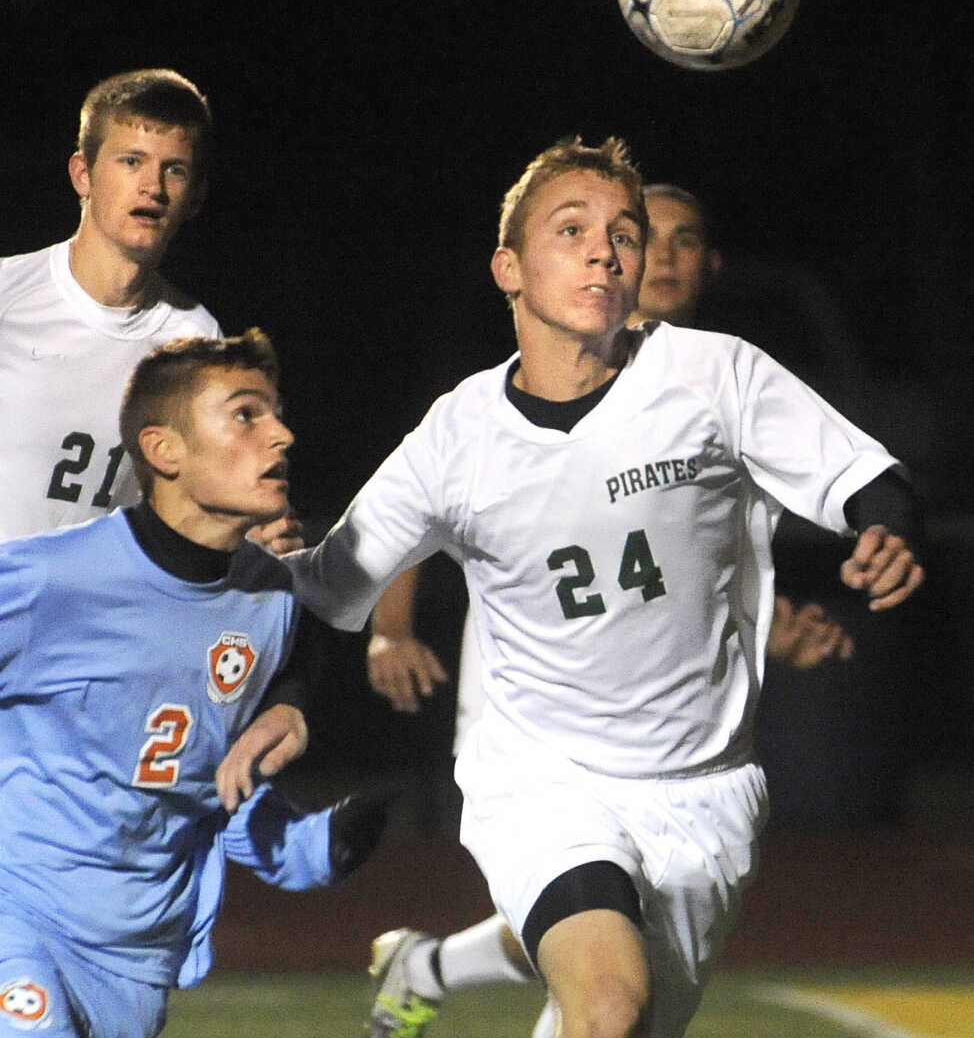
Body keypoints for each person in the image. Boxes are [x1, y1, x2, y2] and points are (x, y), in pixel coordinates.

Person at [277, 138, 923, 1038]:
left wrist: (887, 527)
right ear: (508, 269)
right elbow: (321, 591)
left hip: (705, 793)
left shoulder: (714, 374)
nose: (605, 253)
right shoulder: (457, 435)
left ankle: (432, 969)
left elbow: (865, 477)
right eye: (572, 230)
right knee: (610, 1004)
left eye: (624, 234)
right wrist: (259, 609)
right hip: (540, 778)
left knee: (609, 1021)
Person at [0, 330, 388, 1038]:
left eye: (275, 413)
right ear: (163, 450)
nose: (281, 435)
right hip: (17, 918)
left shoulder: (268, 602)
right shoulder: (56, 580)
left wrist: (297, 847)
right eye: (245, 415)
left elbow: (196, 773)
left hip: (138, 960)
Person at [0, 67, 297, 553]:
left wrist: (251, 533)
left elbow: (197, 502)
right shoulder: (7, 295)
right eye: (131, 161)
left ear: (196, 196)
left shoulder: (195, 341)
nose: (153, 187)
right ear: (83, 175)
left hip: (97, 601)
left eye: (174, 169)